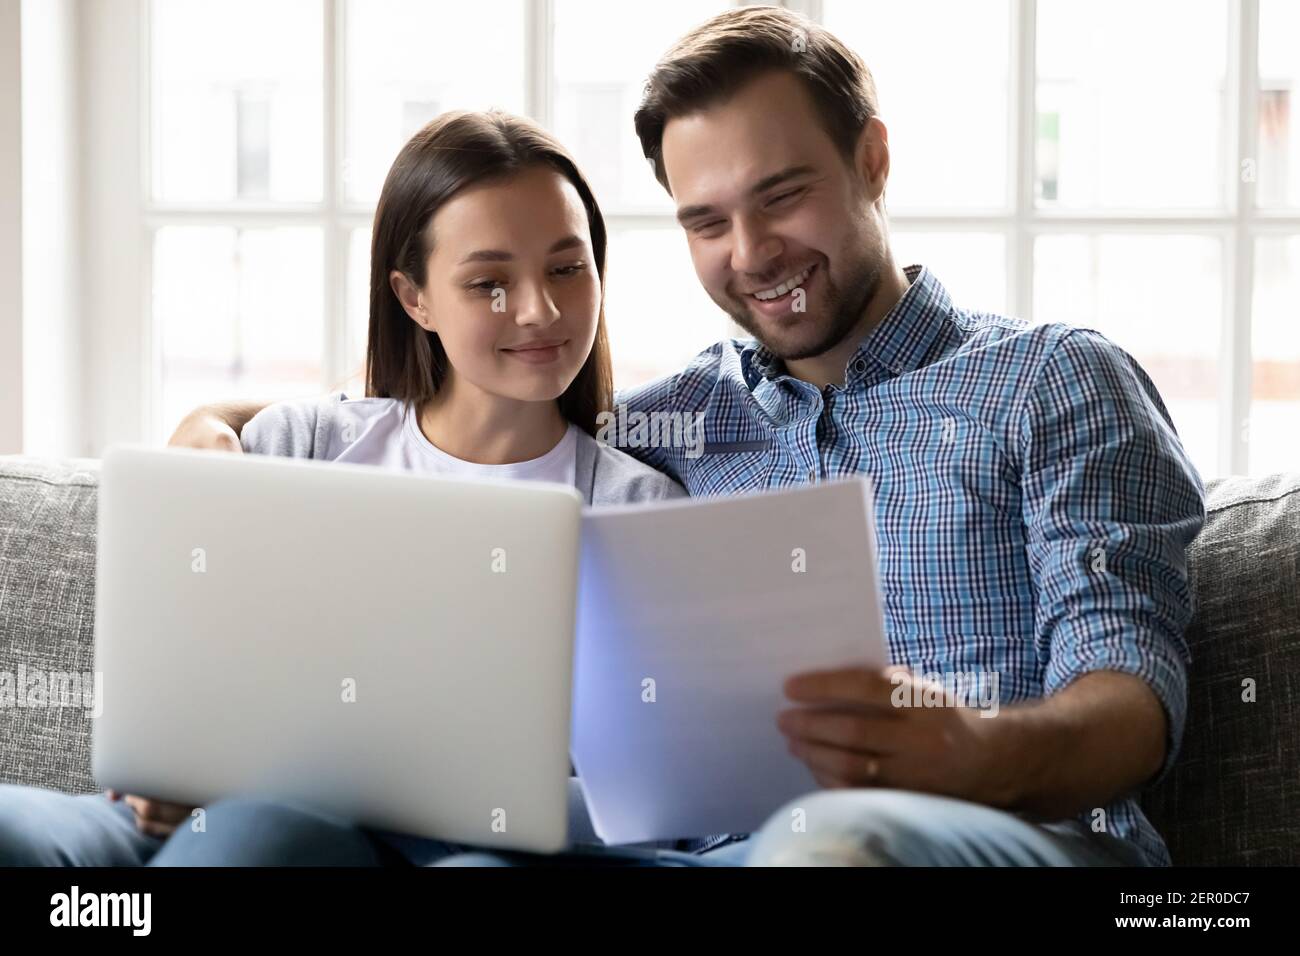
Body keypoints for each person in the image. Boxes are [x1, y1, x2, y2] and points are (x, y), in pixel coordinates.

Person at [145, 7, 1206, 867]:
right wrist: (216, 428)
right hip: (713, 849)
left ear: (872, 160)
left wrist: (969, 749)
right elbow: (453, 412)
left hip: (1018, 833)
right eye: (705, 220)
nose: (751, 252)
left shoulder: (1047, 380)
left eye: (782, 195)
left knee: (823, 837)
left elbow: (1132, 698)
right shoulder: (677, 418)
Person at [0, 110, 749, 867]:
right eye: (489, 282)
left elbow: (658, 819)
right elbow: (177, 680)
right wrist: (170, 766)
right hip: (178, 820)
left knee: (254, 839)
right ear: (414, 297)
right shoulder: (303, 447)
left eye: (566, 267)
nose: (539, 309)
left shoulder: (635, 512)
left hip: (394, 845)